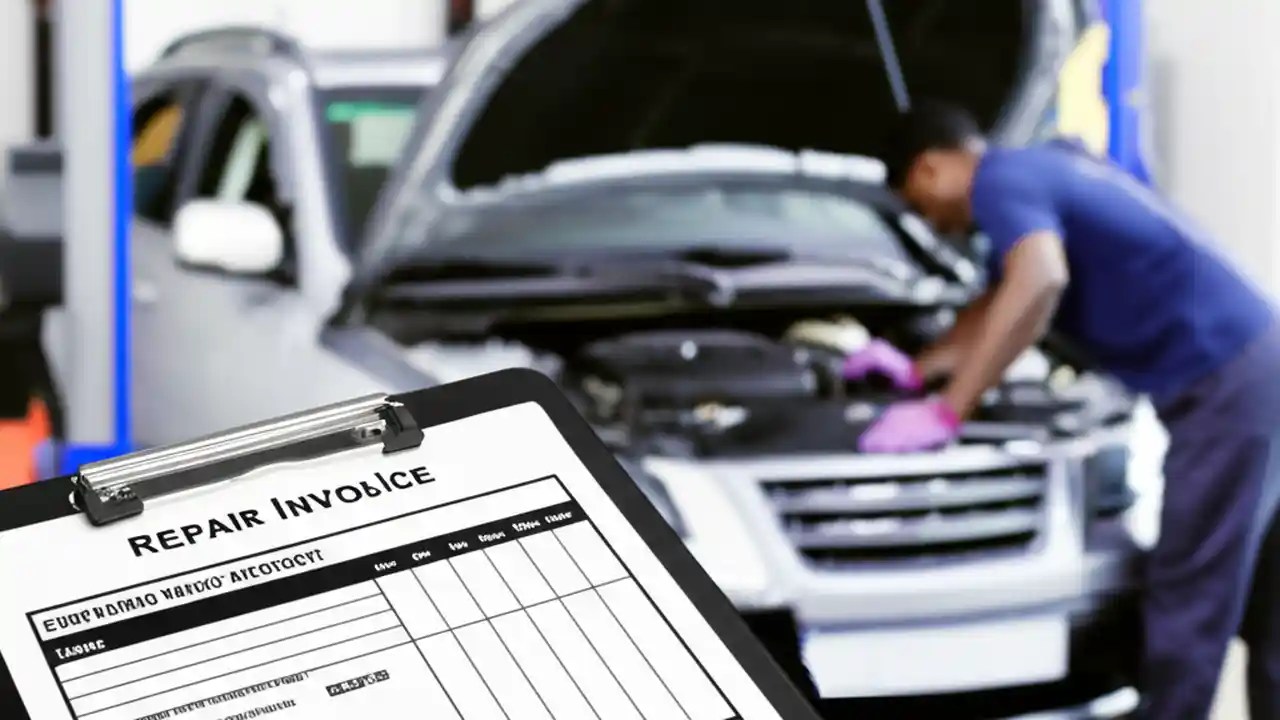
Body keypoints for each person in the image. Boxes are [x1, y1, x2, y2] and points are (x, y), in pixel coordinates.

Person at [843, 101, 1280, 719]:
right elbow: (997, 304)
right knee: (1270, 610)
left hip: (1226, 388)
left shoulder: (1002, 179)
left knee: (1190, 597)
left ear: (930, 169)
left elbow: (1040, 279)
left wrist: (949, 409)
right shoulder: (1046, 169)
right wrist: (916, 369)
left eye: (919, 207)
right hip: (1261, 364)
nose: (934, 226)